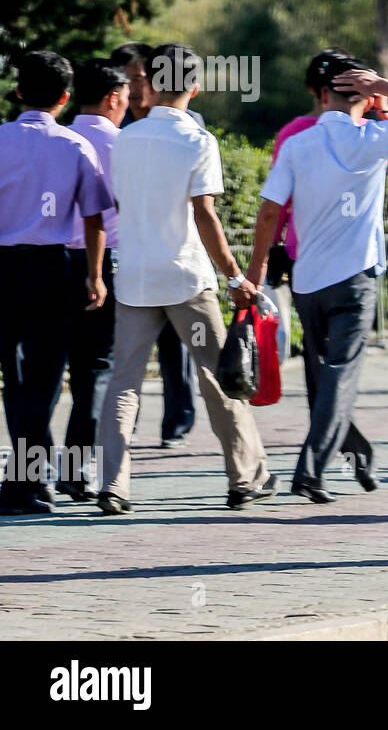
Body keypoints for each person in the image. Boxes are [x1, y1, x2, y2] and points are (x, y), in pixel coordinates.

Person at [248, 60, 388, 502]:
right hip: (354, 281)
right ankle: (311, 471)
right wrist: (386, 88)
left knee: (324, 379)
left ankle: (357, 456)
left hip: (307, 280)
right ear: (366, 97)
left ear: (322, 95)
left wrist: (256, 271)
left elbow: (268, 212)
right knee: (338, 377)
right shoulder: (374, 138)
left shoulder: (297, 144)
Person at [97, 43, 274, 514]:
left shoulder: (125, 140)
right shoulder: (199, 141)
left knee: (124, 383)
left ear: (150, 84)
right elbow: (205, 216)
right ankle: (245, 478)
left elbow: (119, 205)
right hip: (185, 278)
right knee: (220, 378)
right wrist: (234, 274)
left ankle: (113, 486)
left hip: (134, 278)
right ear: (194, 87)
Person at [0, 51, 112, 515]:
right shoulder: (75, 147)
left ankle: (29, 478)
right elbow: (94, 218)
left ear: (19, 91)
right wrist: (94, 275)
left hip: (2, 268)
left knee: (15, 375)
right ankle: (25, 480)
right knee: (45, 378)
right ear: (66, 99)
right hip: (51, 268)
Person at [269, 49, 388, 360]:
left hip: (303, 250)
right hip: (354, 254)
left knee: (316, 345)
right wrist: (383, 107)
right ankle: (332, 404)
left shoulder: (292, 134)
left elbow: (278, 204)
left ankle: (323, 401)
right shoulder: (364, 131)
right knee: (343, 351)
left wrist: (273, 245)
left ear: (317, 91)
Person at [111, 41, 199, 448]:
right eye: (128, 80)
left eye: (140, 78)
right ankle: (124, 435)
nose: (135, 87)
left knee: (176, 348)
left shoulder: (190, 124)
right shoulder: (119, 128)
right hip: (133, 258)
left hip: (175, 256)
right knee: (128, 361)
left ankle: (177, 421)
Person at [59, 60, 130, 502]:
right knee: (97, 368)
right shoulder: (123, 144)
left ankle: (43, 471)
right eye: (124, 99)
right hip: (104, 264)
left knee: (54, 369)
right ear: (111, 99)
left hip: (49, 261)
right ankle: (77, 466)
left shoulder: (59, 137)